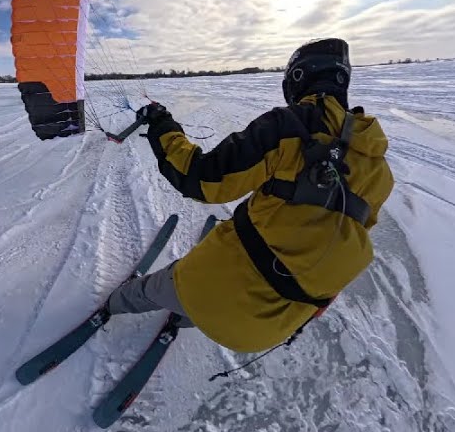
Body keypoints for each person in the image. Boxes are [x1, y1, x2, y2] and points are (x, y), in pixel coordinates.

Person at [103, 38, 395, 354]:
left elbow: (201, 179)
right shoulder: (379, 170)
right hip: (272, 330)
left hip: (211, 292)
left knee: (157, 288)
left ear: (297, 78)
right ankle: (189, 316)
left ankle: (114, 303)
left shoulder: (288, 125)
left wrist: (163, 126)